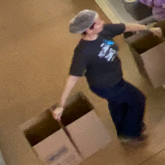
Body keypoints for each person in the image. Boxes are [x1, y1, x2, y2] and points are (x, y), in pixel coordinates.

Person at [55, 11, 155, 142]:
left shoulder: (103, 31)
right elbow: (73, 77)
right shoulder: (83, 51)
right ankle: (131, 133)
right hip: (106, 86)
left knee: (117, 104)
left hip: (115, 79)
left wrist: (148, 28)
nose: (102, 22)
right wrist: (61, 105)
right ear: (88, 30)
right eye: (98, 22)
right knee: (138, 99)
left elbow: (126, 27)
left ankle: (123, 131)